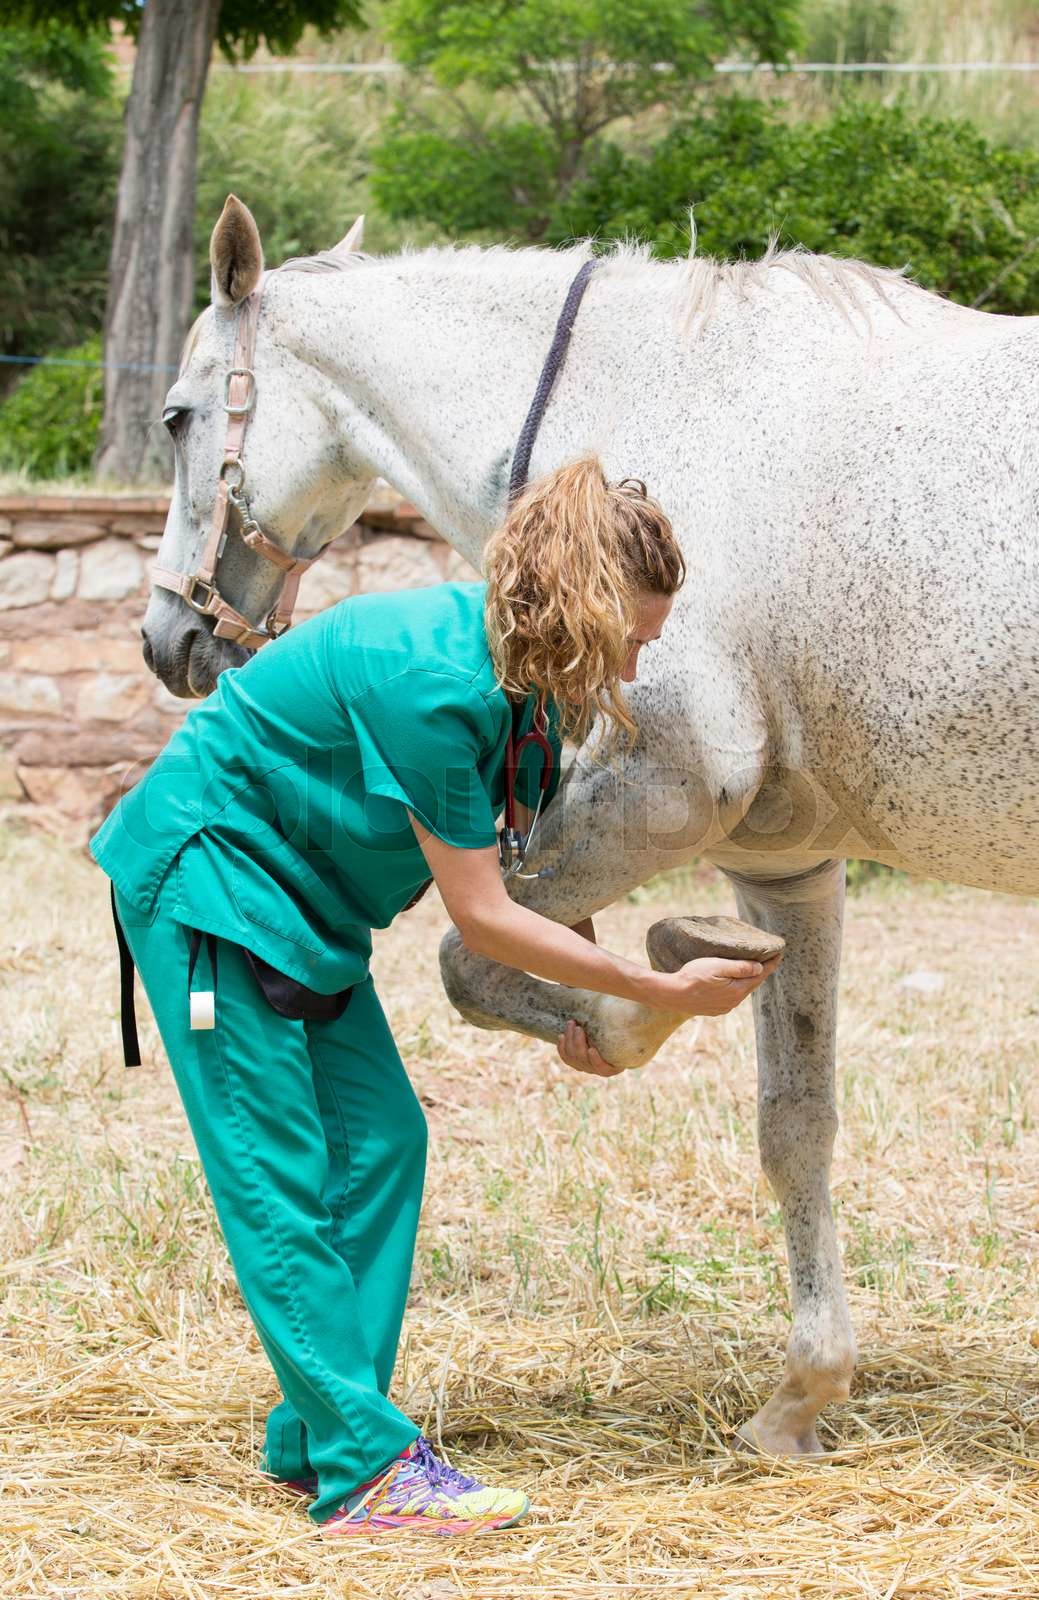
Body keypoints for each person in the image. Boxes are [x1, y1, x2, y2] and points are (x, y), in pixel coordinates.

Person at [91, 457, 780, 1538]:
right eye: (631, 636)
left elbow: (520, 866)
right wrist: (654, 989)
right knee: (276, 1176)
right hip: (211, 887)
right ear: (581, 608)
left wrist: (578, 1012)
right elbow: (484, 917)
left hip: (304, 911)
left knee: (383, 1142)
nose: (637, 661)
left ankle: (321, 1436)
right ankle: (370, 1472)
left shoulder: (529, 685)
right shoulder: (430, 682)